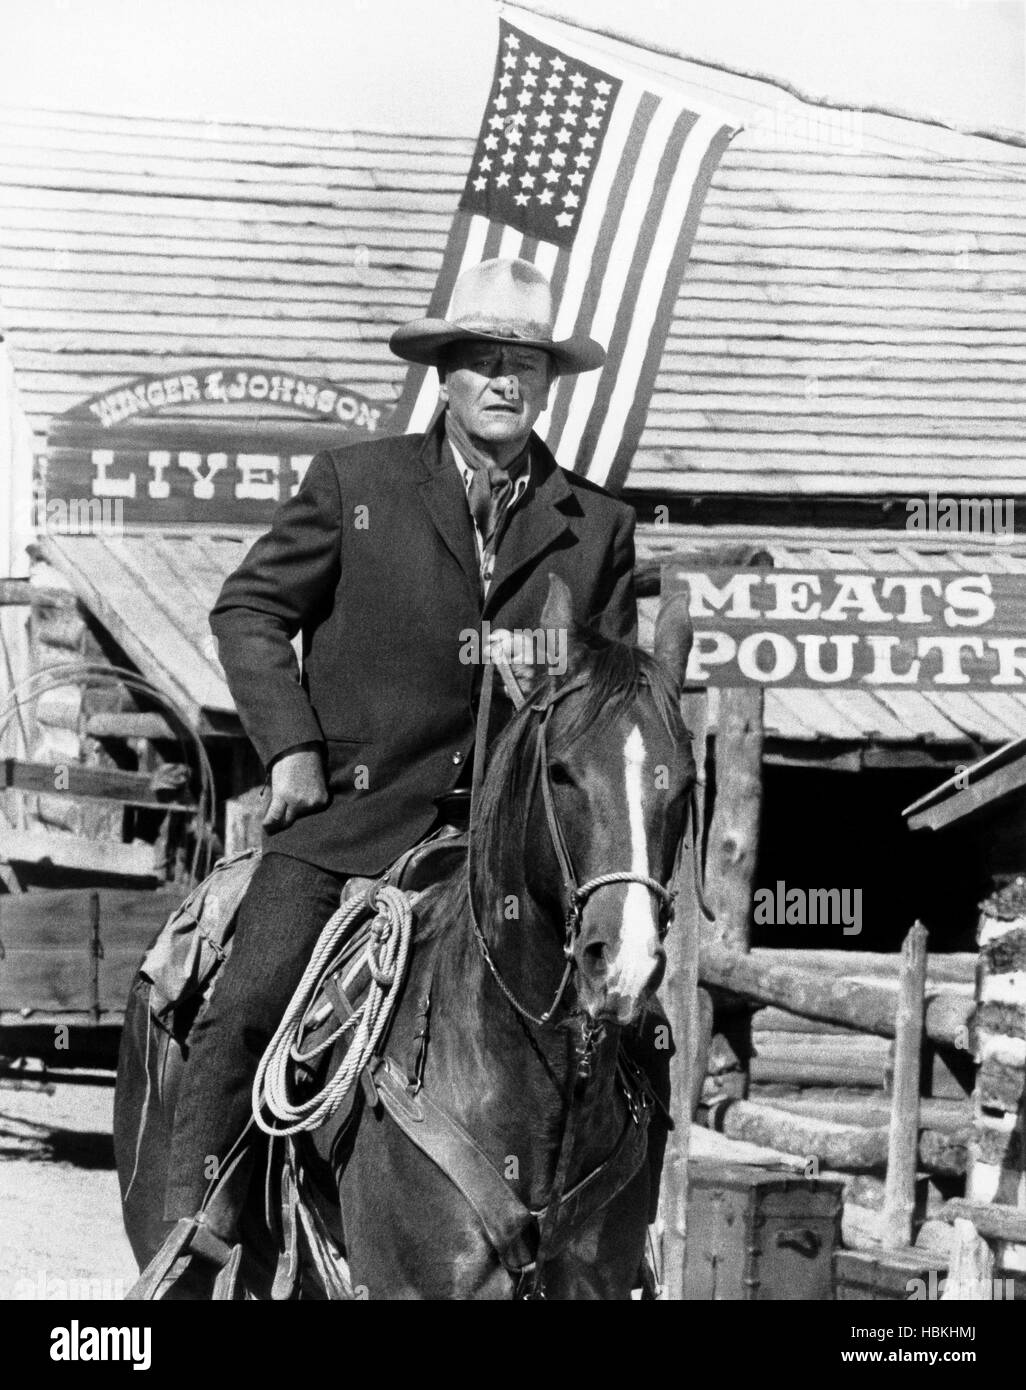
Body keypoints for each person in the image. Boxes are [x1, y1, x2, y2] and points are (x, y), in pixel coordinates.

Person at [158, 257, 638, 1293]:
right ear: (445, 375)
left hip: (511, 854)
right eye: (483, 360)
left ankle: (615, 1238)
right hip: (352, 827)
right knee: (246, 1006)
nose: (505, 380)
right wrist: (289, 744)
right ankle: (198, 1237)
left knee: (636, 1033)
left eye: (526, 362)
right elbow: (249, 612)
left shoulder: (596, 527)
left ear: (546, 380)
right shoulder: (356, 484)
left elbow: (612, 704)